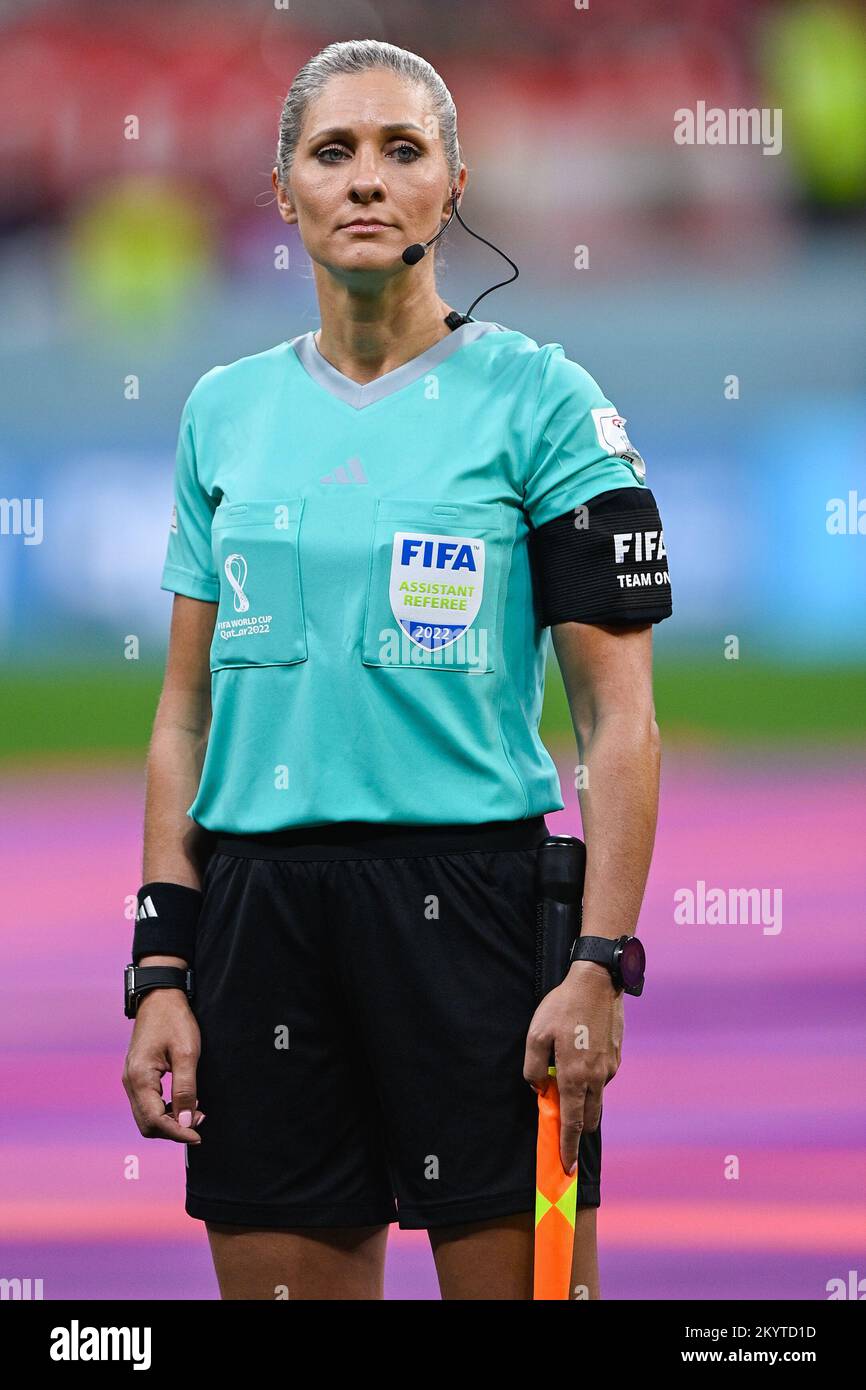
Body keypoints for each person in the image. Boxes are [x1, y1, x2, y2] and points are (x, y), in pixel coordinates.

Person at [122, 38, 672, 1301]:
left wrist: (597, 964)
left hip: (474, 917)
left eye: (401, 150)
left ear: (453, 184)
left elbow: (617, 718)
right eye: (333, 152)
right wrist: (160, 966)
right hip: (258, 922)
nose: (366, 180)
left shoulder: (543, 402)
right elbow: (183, 715)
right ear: (284, 191)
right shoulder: (222, 410)